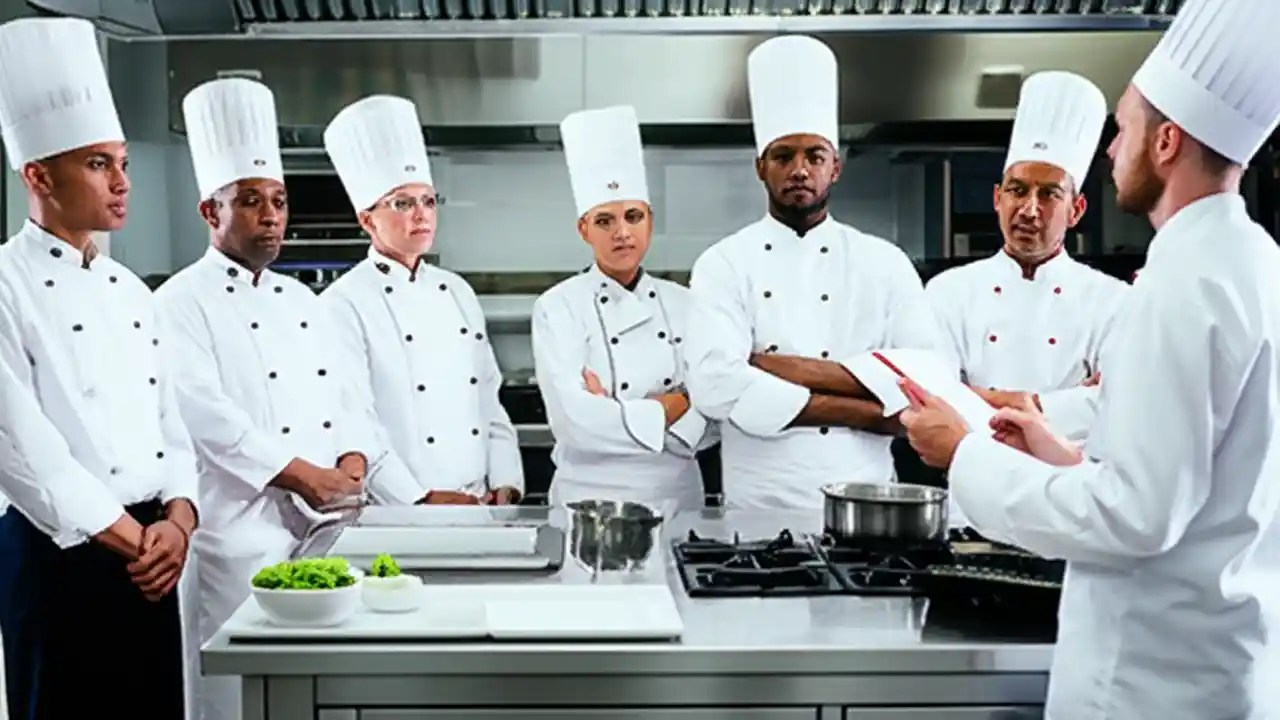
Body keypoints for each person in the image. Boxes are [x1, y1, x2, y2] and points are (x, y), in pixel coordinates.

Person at [899, 1, 1280, 717]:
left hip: (1148, 680)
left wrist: (964, 456)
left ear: (1166, 143)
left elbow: (1134, 517)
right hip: (1212, 659)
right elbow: (1190, 484)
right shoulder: (1252, 263)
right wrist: (1055, 449)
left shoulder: (1184, 285)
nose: (1110, 151)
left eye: (1125, 126)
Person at [155, 77, 398, 720]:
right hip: (236, 537)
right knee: (235, 696)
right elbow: (206, 416)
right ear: (212, 212)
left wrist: (349, 466)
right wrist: (301, 476)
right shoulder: (177, 303)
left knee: (312, 695)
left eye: (280, 201)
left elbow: (348, 397)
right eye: (251, 201)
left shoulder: (302, 300)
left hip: (323, 532)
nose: (271, 216)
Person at [0, 16, 198, 720]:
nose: (122, 182)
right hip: (63, 554)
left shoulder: (131, 292)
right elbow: (21, 447)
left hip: (151, 555)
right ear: (38, 175)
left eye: (123, 163)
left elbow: (171, 424)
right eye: (97, 163)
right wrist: (134, 539)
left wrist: (178, 519)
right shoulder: (5, 283)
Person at [684, 35, 939, 509]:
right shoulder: (724, 263)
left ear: (836, 168)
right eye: (783, 156)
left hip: (866, 502)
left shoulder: (884, 262)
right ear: (761, 167)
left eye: (814, 157)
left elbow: (923, 378)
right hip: (760, 505)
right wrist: (866, 411)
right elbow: (715, 387)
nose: (799, 169)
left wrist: (769, 367)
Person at [321, 94, 524, 506]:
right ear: (366, 218)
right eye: (403, 203)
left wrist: (506, 482)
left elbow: (489, 400)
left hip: (480, 505)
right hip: (399, 511)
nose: (422, 215)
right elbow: (353, 422)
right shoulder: (341, 304)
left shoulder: (457, 291)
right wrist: (419, 498)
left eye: (429, 201)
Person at [531, 105, 717, 511]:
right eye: (604, 220)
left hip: (677, 499)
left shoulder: (688, 303)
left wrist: (615, 411)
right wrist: (673, 403)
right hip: (587, 500)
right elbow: (573, 422)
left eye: (633, 217)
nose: (621, 233)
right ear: (584, 229)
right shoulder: (557, 307)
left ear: (649, 221)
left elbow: (715, 409)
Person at [926, 71, 1127, 444]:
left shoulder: (1114, 301)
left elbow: (1123, 406)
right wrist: (1067, 406)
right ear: (997, 199)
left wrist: (1006, 403)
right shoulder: (947, 292)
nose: (1030, 209)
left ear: (1076, 210)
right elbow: (931, 397)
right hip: (974, 487)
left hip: (1069, 491)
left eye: (1049, 194)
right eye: (1017, 190)